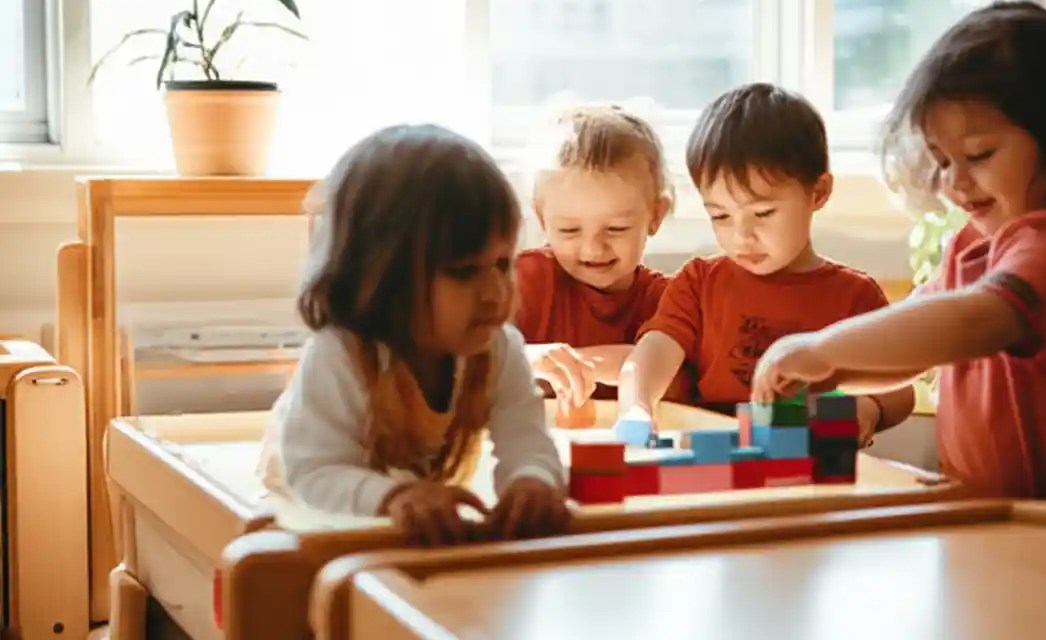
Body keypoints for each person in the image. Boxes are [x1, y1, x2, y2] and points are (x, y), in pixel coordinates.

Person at [750, 0, 1046, 530]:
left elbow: (969, 323)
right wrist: (825, 373)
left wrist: (820, 348)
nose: (954, 182)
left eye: (980, 155)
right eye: (942, 161)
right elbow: (918, 348)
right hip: (1008, 523)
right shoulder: (976, 243)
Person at [258, 123, 569, 545]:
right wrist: (393, 496)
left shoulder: (498, 349)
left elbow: (527, 437)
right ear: (384, 277)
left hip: (400, 494)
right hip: (303, 502)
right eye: (463, 273)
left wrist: (532, 480)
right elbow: (315, 472)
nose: (496, 293)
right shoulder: (343, 354)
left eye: (502, 264)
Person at [621, 82, 916, 447]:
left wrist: (868, 410)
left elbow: (900, 392)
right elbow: (652, 354)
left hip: (808, 461)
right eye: (721, 216)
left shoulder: (854, 296)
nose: (742, 235)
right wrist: (638, 406)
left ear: (818, 192)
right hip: (713, 452)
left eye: (763, 212)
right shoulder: (698, 283)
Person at [515, 106, 675, 418]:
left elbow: (691, 381)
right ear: (541, 217)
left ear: (655, 215)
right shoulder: (527, 281)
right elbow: (463, 360)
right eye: (569, 230)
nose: (593, 248)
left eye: (616, 229)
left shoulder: (672, 301)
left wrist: (603, 362)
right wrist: (522, 357)